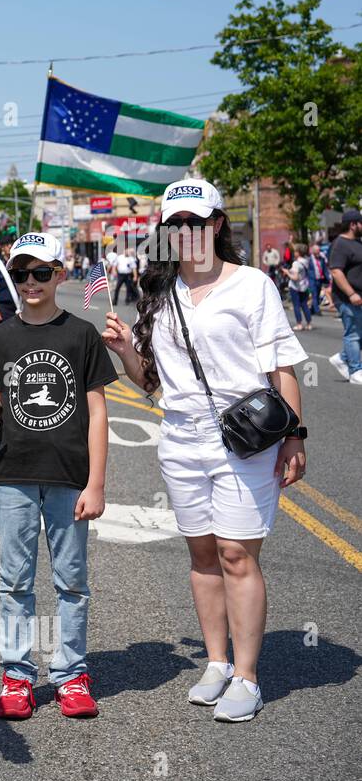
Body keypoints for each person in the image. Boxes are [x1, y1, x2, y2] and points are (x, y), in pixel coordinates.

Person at [103, 179, 308, 723]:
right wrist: (126, 351)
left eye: (196, 223)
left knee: (237, 555)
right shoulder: (160, 292)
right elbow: (153, 384)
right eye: (175, 225)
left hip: (243, 441)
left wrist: (294, 436)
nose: (186, 233)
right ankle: (216, 662)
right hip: (179, 437)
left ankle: (247, 675)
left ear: (217, 224)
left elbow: (281, 368)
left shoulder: (252, 285)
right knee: (201, 556)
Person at [0, 232, 116, 720]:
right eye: (23, 273)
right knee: (15, 582)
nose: (31, 282)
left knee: (72, 581)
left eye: (42, 273)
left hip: (71, 476)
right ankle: (17, 676)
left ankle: (71, 675)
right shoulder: (0, 336)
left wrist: (96, 483)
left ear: (59, 275)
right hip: (15, 474)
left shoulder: (81, 334)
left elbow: (97, 411)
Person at [327, 209, 362, 385]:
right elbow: (336, 270)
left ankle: (341, 358)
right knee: (353, 334)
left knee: (359, 334)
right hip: (348, 298)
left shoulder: (358, 243)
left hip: (359, 297)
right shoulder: (340, 244)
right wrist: (351, 293)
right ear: (353, 224)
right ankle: (356, 370)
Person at [284, 245, 313, 332]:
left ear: (298, 253)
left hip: (295, 287)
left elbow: (295, 277)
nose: (294, 252)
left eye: (295, 251)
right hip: (304, 285)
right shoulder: (306, 261)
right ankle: (309, 324)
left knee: (296, 305)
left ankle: (299, 324)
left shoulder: (296, 263)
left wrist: (287, 273)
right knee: (304, 305)